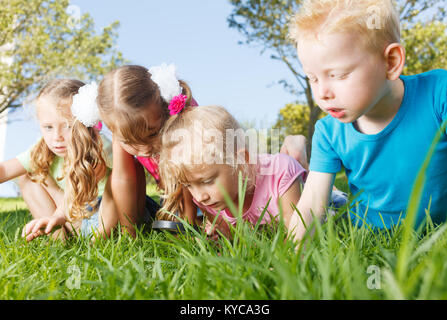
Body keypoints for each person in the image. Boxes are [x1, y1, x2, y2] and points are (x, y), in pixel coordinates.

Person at [287, 0, 447, 243]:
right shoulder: (328, 131)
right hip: (371, 236)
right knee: (330, 205)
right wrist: (291, 258)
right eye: (312, 78)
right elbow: (311, 206)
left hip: (439, 230)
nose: (322, 93)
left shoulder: (439, 92)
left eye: (338, 75)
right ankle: (336, 198)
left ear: (391, 62)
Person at [96, 63, 311, 235]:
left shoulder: (186, 119)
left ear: (165, 112)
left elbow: (195, 177)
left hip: (196, 185)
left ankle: (296, 151)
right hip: (184, 189)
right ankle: (102, 232)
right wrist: (129, 233)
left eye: (152, 135)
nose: (143, 149)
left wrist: (188, 227)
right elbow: (124, 179)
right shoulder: (124, 123)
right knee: (113, 189)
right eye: (130, 141)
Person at [158, 105, 307, 238]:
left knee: (300, 169)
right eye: (188, 185)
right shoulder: (208, 199)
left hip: (322, 197)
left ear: (241, 161)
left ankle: (296, 149)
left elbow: (297, 235)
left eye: (207, 181)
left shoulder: (280, 173)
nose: (199, 197)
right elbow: (234, 235)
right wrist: (222, 236)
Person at [5, 79, 117, 241]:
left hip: (105, 218)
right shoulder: (41, 150)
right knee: (28, 175)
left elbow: (130, 179)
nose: (57, 137)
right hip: (74, 215)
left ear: (86, 122)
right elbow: (5, 170)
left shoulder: (99, 147)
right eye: (48, 127)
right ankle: (57, 238)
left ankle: (92, 240)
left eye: (67, 126)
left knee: (117, 179)